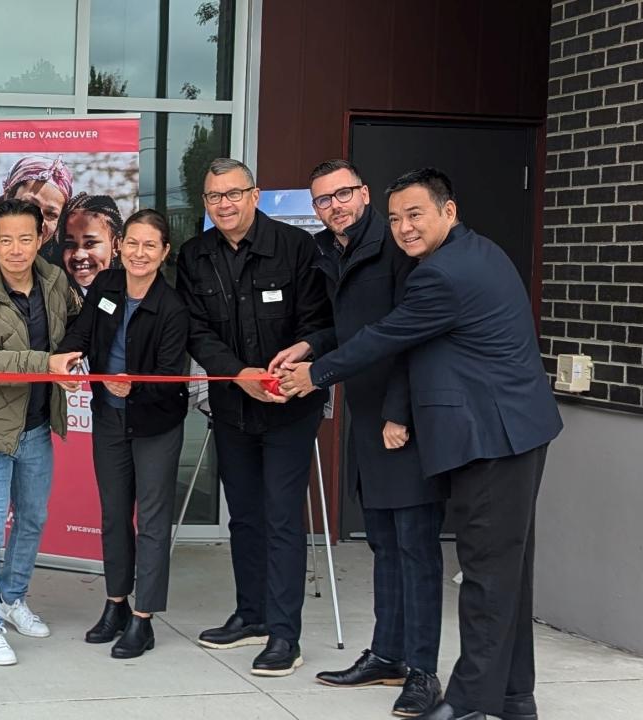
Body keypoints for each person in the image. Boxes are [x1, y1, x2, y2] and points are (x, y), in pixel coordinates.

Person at [278, 168, 562, 720]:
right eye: (398, 217)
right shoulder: (470, 254)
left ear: (448, 211)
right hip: (505, 431)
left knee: (485, 577)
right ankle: (513, 698)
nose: (405, 228)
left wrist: (317, 374)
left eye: (416, 215)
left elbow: (388, 336)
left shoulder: (441, 274)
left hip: (494, 438)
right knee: (507, 575)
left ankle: (469, 703)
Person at [267, 159, 447, 716]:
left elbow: (409, 333)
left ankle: (422, 670)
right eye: (323, 200)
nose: (334, 206)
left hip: (402, 420)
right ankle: (388, 653)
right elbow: (350, 328)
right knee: (383, 543)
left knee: (416, 548)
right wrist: (310, 345)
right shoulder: (329, 249)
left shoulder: (395, 245)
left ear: (363, 193)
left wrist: (399, 412)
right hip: (365, 418)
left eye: (343, 194)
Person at [174, 158, 333, 677]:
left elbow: (324, 323)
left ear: (255, 194)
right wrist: (237, 373)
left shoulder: (296, 247)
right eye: (213, 196)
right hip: (233, 406)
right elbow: (196, 331)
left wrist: (298, 358)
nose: (223, 204)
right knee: (242, 515)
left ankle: (286, 635)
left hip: (290, 405)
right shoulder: (195, 256)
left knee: (283, 518)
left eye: (233, 194)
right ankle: (252, 615)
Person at [0, 198, 81, 666]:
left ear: (41, 237)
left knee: (31, 518)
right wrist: (46, 364)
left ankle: (12, 598)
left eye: (25, 238)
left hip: (37, 424)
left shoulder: (55, 280)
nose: (15, 249)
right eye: (5, 240)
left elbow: (78, 330)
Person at [55, 209, 189, 659]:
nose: (139, 253)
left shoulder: (171, 306)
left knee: (150, 523)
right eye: (132, 243)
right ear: (119, 246)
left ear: (164, 252)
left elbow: (172, 375)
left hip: (155, 424)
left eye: (150, 245)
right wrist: (68, 355)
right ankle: (116, 604)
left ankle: (144, 619)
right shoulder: (106, 287)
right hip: (109, 419)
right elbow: (83, 332)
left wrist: (133, 386)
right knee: (114, 515)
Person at [0, 155, 73, 271]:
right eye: (29, 205)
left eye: (51, 214)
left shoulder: (60, 272)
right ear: (8, 197)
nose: (39, 221)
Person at [47, 192, 121, 298]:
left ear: (115, 245)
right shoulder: (54, 297)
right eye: (70, 244)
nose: (78, 255)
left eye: (90, 243)